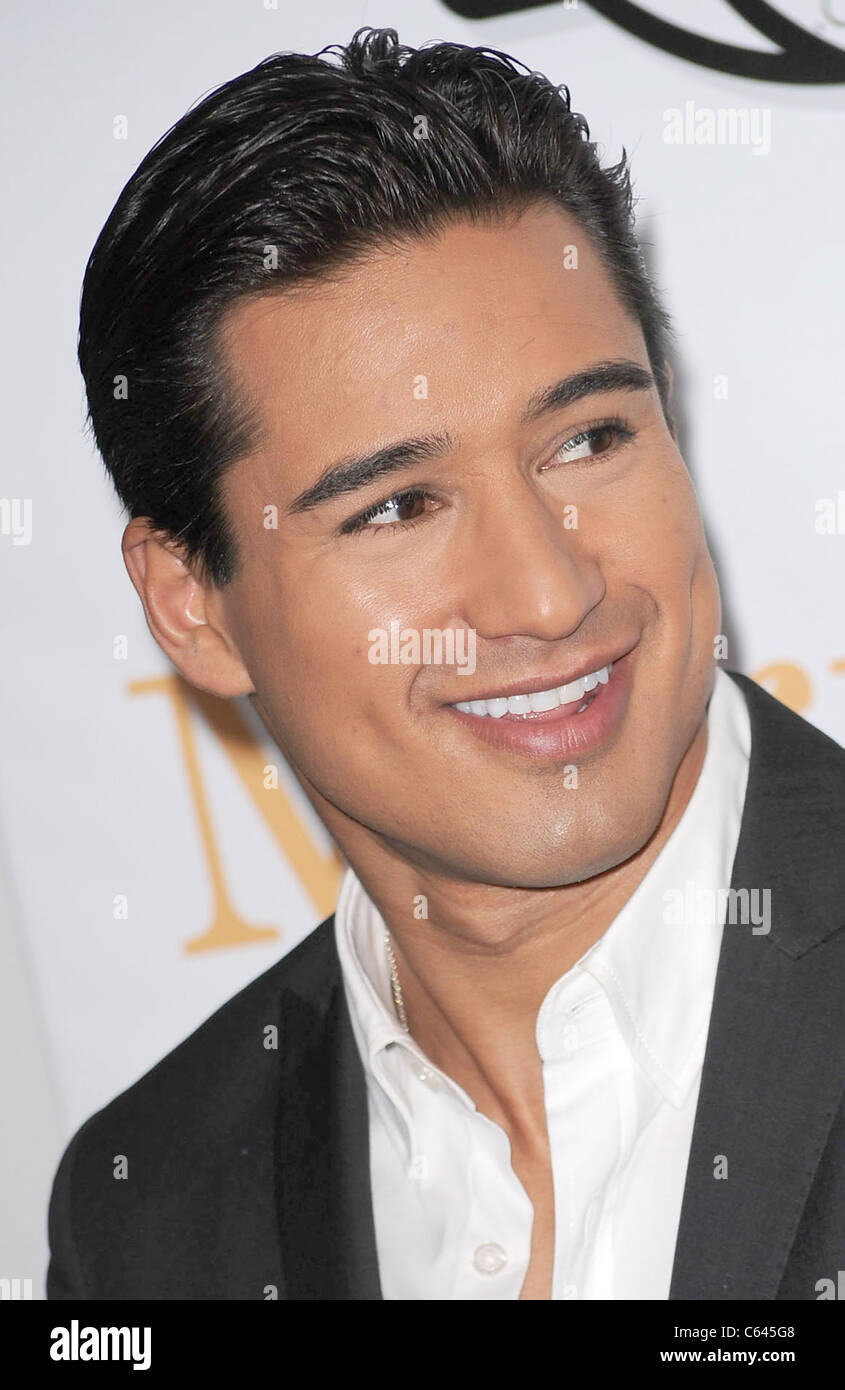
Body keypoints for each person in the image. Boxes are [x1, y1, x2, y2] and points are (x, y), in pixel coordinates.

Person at [47, 25, 845, 1301]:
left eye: (587, 438)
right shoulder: (148, 1210)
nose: (548, 589)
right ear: (192, 603)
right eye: (396, 509)